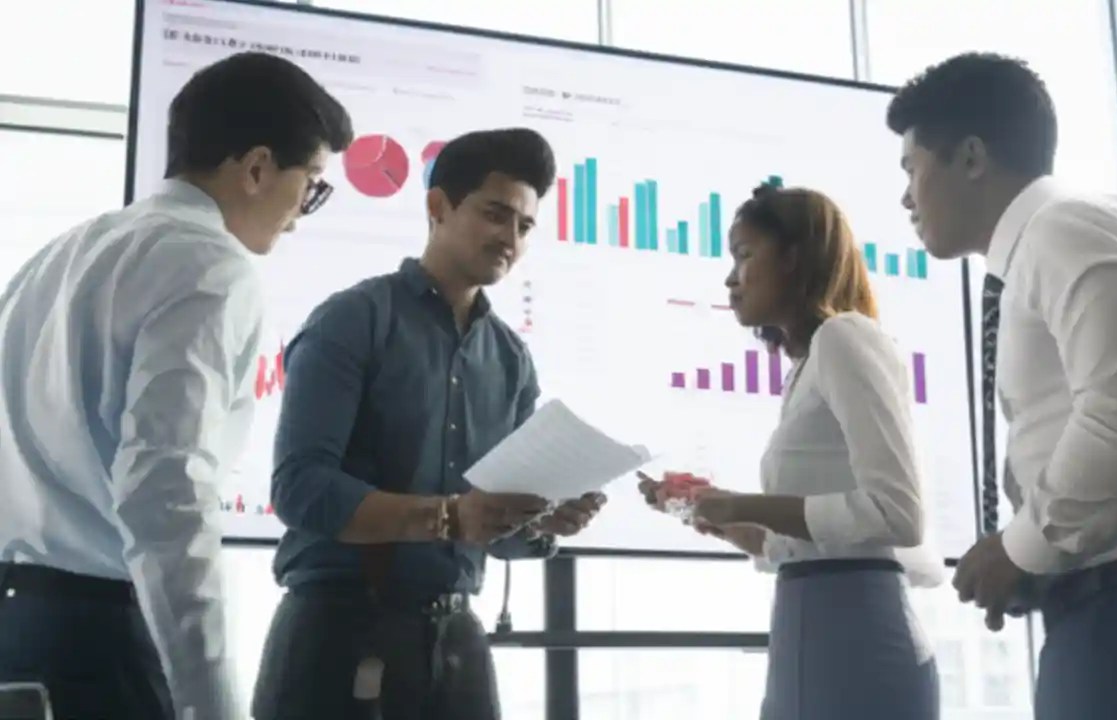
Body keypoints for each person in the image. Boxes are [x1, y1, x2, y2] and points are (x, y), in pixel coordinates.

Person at [888, 51, 1117, 720]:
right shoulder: (1036, 249)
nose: (906, 196)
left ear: (971, 157)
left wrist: (1020, 546)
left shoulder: (1065, 228)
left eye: (913, 168)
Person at [0, 51, 352, 720]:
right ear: (256, 168)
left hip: (18, 626)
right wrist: (210, 704)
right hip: (102, 645)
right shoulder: (208, 265)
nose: (302, 213)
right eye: (310, 184)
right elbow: (167, 492)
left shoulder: (63, 254)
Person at [251, 127, 607, 720]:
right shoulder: (353, 319)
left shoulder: (511, 359)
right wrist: (447, 515)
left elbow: (498, 532)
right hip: (340, 630)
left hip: (457, 640)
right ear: (438, 207)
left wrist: (545, 519)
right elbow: (300, 489)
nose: (509, 238)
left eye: (524, 227)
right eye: (495, 214)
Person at [639, 184, 941, 720]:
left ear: (795, 257)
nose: (732, 278)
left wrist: (744, 503)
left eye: (745, 255)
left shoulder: (844, 338)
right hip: (809, 622)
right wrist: (701, 509)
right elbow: (794, 543)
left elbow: (897, 514)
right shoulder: (805, 366)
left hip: (856, 635)